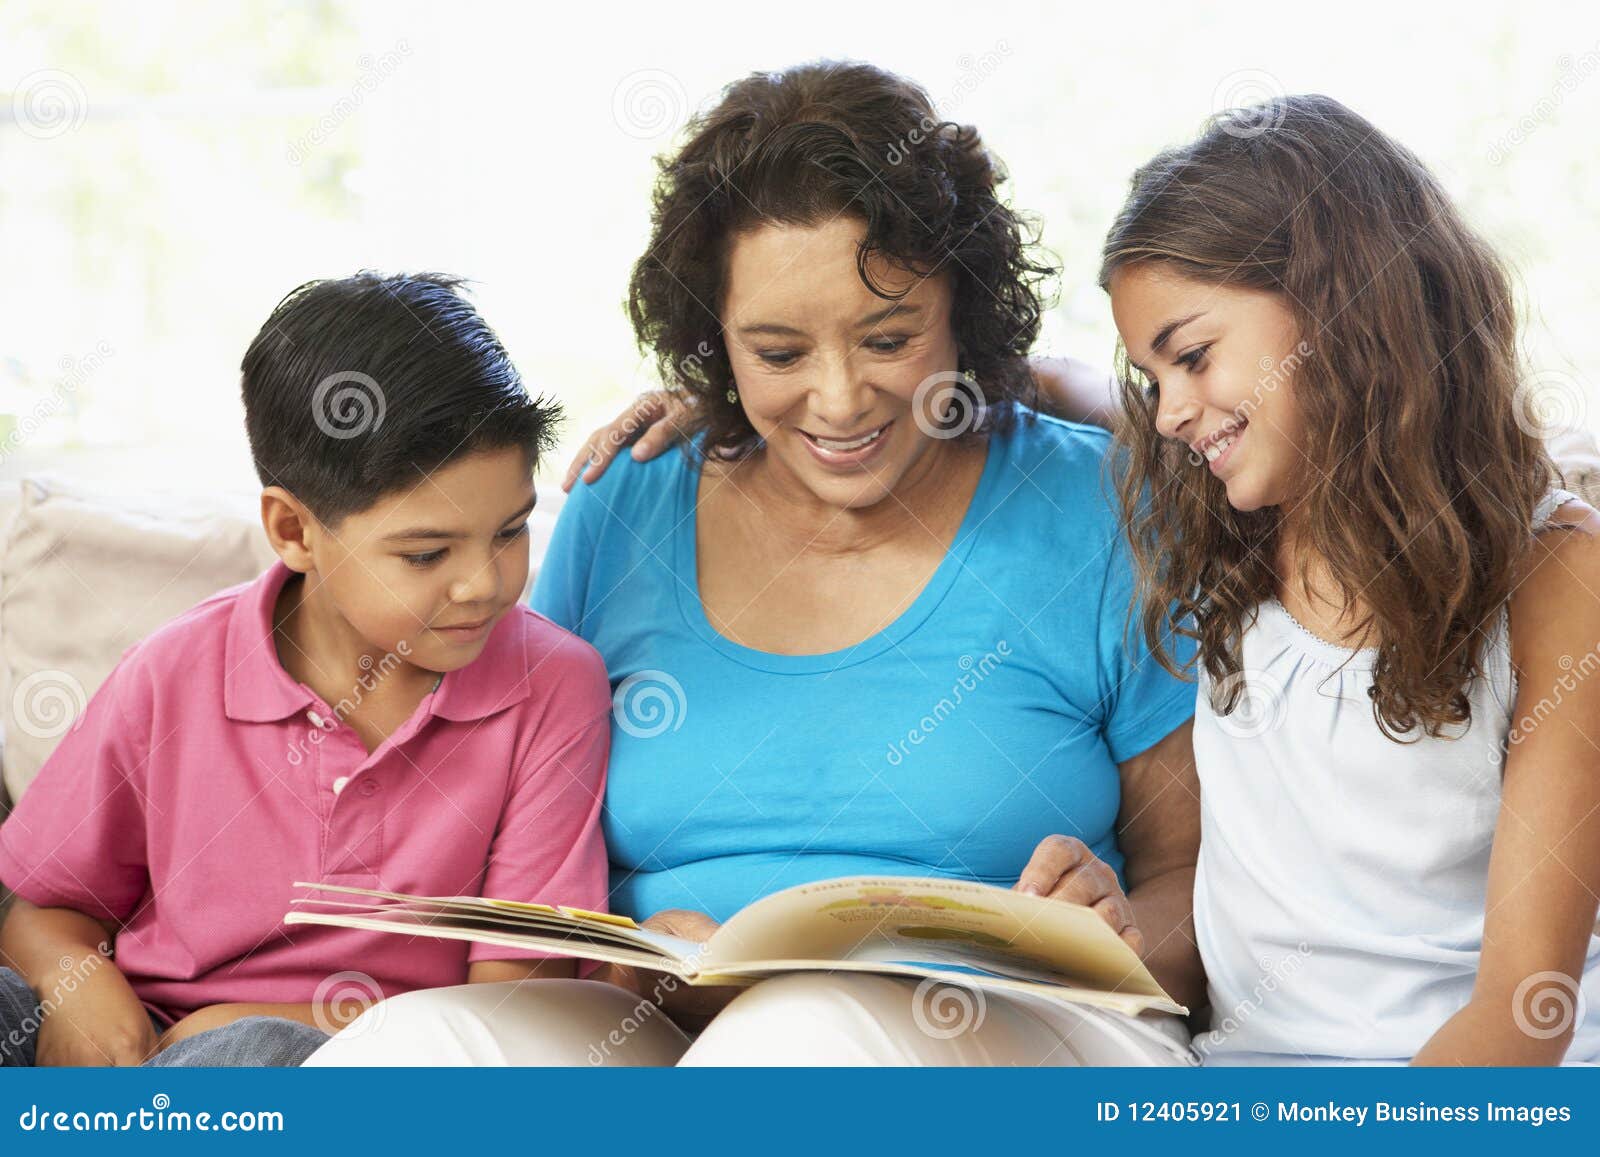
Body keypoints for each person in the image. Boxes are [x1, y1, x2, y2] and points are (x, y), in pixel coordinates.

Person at [306, 62, 1202, 1068]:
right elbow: (522, 830)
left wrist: (1111, 935)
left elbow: (1192, 885)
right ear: (712, 342)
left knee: (798, 1037)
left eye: (888, 337)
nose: (838, 399)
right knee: (418, 1046)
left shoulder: (1098, 505)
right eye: (778, 353)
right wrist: (629, 964)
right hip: (669, 1021)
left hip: (1028, 1029)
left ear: (963, 308)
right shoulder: (626, 500)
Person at [1097, 95, 1600, 1064]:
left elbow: (1517, 1012)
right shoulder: (1231, 547)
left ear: (1339, 307)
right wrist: (1106, 922)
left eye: (1192, 357)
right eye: (1151, 379)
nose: (1167, 412)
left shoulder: (1555, 577)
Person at [0, 272, 612, 1066]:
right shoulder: (171, 672)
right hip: (149, 1033)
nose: (485, 583)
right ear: (293, 528)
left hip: (372, 1059)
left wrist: (231, 1021)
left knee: (249, 1056)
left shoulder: (551, 686)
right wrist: (79, 985)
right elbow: (41, 909)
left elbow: (509, 1005)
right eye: (427, 553)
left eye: (510, 531)